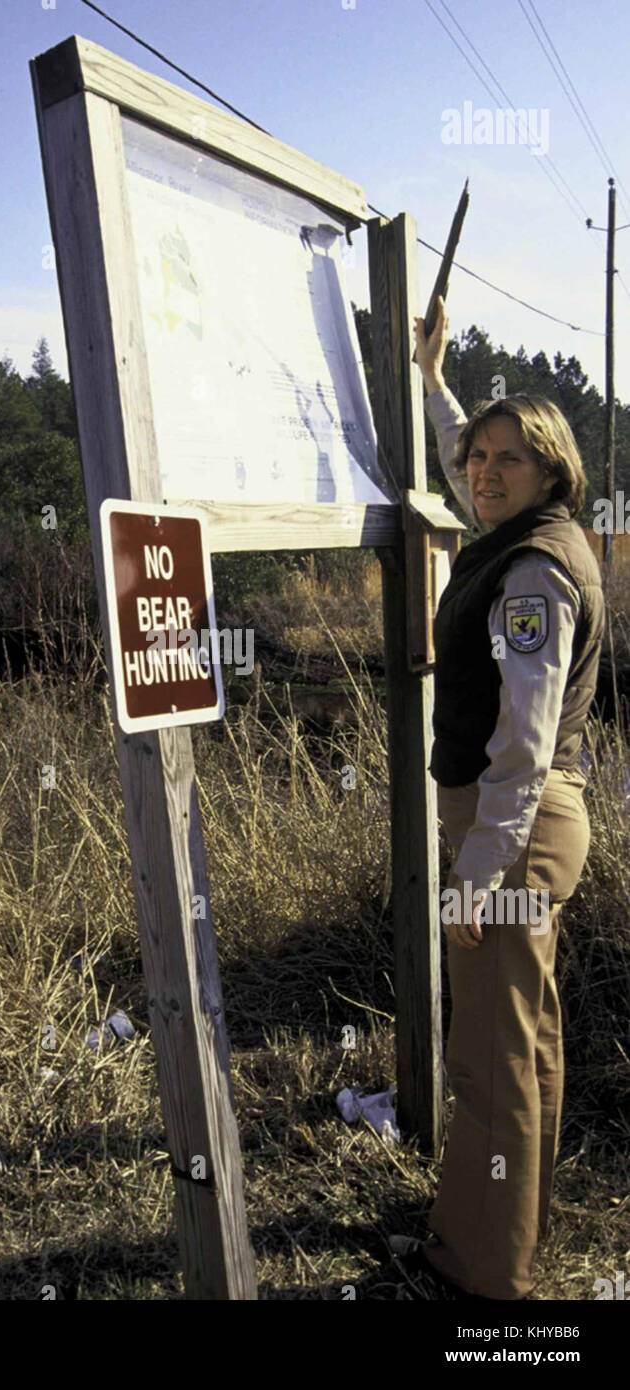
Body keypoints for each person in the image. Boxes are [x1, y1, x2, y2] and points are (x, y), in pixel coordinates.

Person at [390, 296, 605, 1301]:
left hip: (507, 830)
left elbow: (515, 747)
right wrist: (432, 377)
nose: (478, 471)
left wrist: (474, 879)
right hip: (531, 823)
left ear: (549, 471)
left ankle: (475, 1277)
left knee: (484, 1060)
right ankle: (513, 1230)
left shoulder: (527, 574)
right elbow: (454, 459)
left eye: (503, 460)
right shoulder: (542, 535)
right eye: (473, 455)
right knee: (528, 1037)